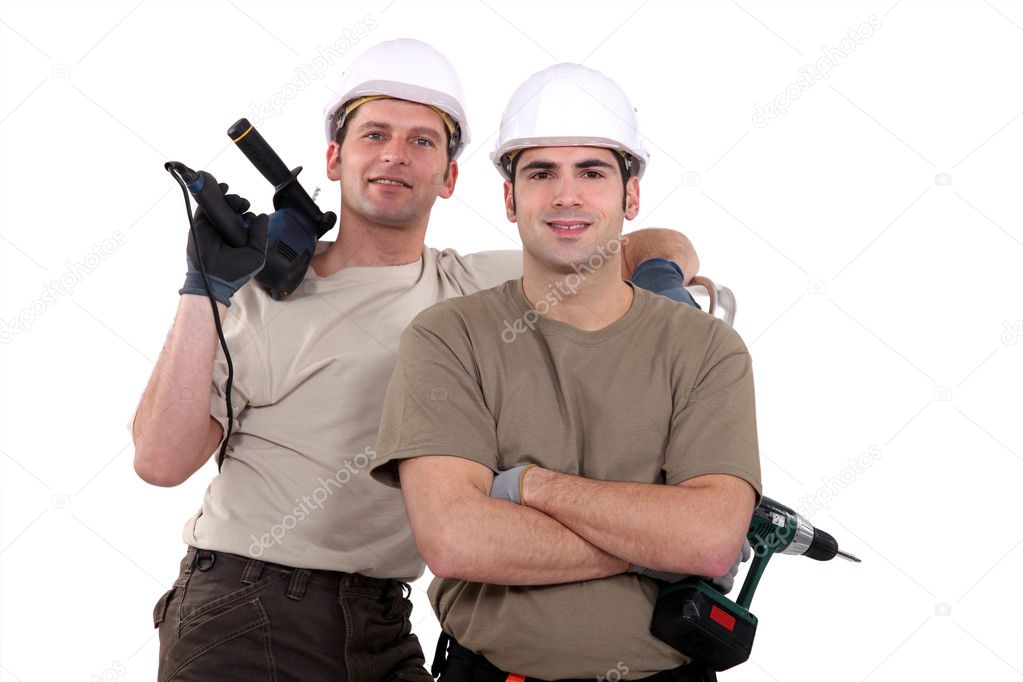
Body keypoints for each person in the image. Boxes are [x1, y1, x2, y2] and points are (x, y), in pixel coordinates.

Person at [131, 41, 704, 681]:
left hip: (383, 620)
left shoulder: (477, 289)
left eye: (423, 141)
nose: (395, 155)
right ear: (334, 158)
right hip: (247, 606)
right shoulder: (256, 297)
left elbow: (651, 242)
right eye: (374, 133)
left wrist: (661, 282)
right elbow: (159, 461)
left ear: (451, 178)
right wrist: (202, 290)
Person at [370, 63, 762, 682]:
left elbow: (710, 541)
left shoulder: (706, 348)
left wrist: (529, 487)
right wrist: (659, 541)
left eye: (593, 171)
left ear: (631, 195)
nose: (566, 196)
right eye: (541, 172)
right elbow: (455, 540)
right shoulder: (449, 338)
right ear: (509, 197)